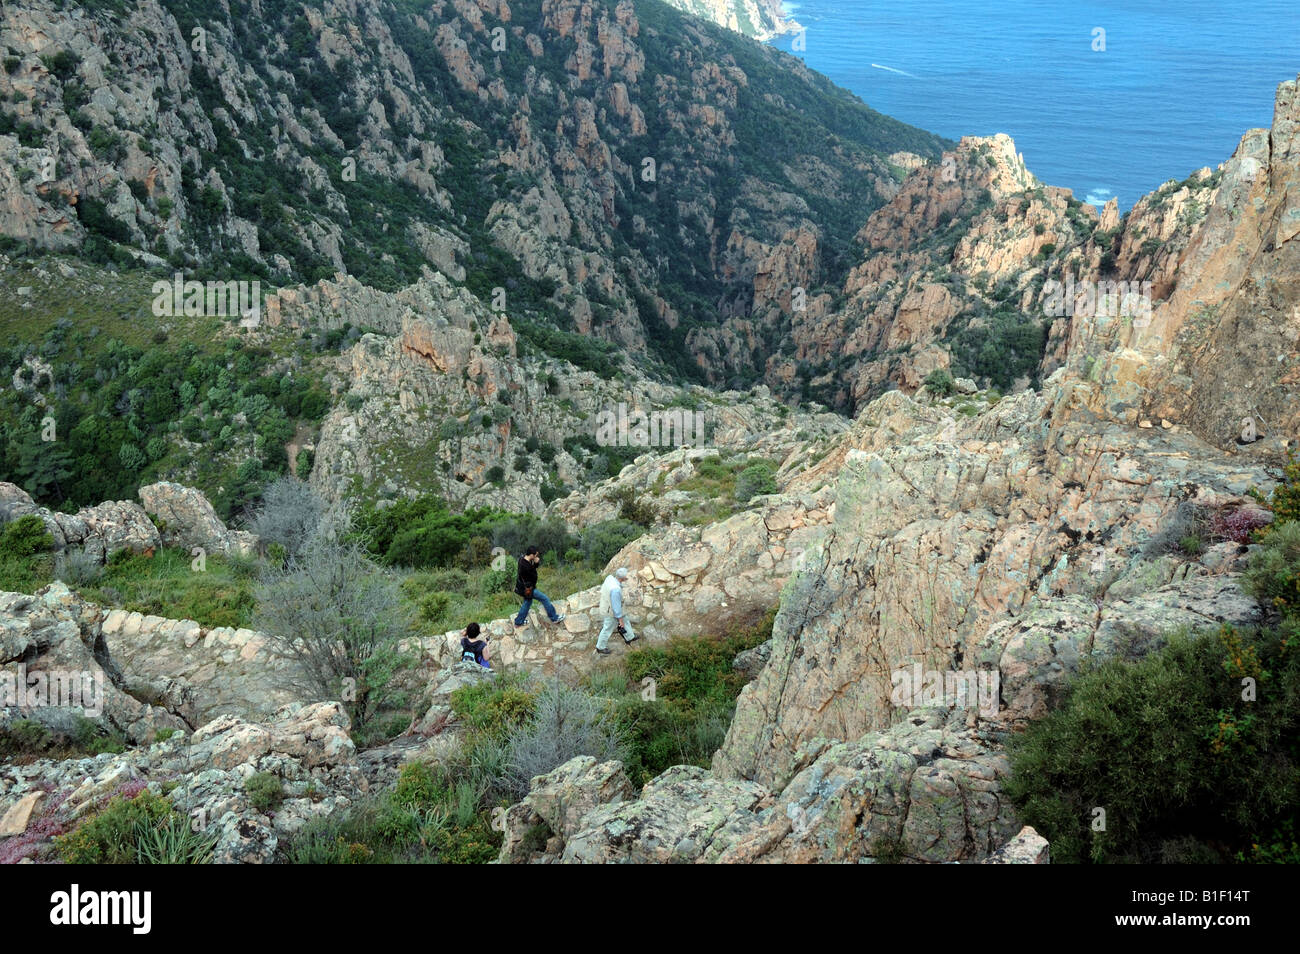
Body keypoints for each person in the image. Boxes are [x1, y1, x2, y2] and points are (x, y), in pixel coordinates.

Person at [514, 545, 565, 628]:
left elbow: (531, 571)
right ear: (531, 555)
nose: (536, 557)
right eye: (535, 555)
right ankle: (554, 618)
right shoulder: (526, 566)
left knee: (527, 602)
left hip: (523, 588)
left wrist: (534, 564)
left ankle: (518, 622)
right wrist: (536, 563)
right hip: (529, 589)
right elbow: (534, 576)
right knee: (545, 599)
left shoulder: (522, 559)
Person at [595, 567, 637, 655]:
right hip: (610, 610)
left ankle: (629, 637)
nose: (628, 576)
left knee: (625, 618)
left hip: (606, 603)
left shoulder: (610, 577)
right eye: (627, 575)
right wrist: (620, 620)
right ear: (623, 578)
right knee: (608, 627)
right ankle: (600, 647)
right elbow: (616, 608)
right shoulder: (615, 590)